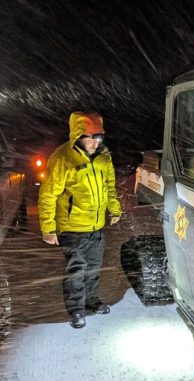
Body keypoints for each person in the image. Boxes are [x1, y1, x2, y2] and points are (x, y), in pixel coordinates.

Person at [38, 111, 122, 329]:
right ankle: (76, 309)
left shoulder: (104, 156)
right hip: (72, 227)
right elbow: (48, 195)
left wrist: (114, 209)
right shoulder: (62, 158)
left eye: (99, 137)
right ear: (78, 136)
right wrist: (48, 228)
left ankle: (92, 301)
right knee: (76, 269)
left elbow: (109, 187)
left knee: (94, 266)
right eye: (90, 137)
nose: (96, 143)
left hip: (96, 225)